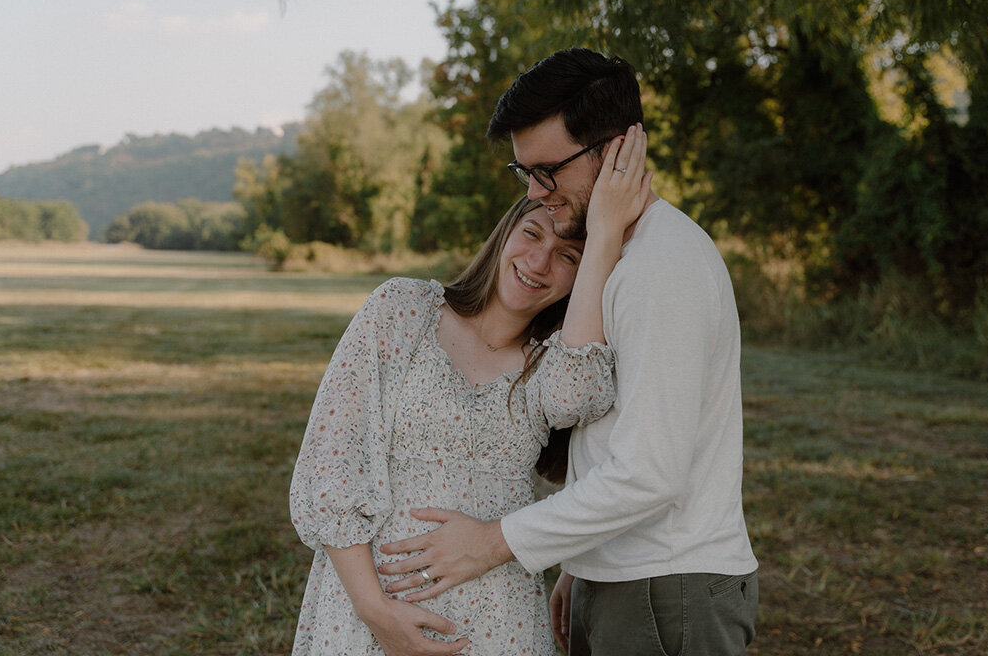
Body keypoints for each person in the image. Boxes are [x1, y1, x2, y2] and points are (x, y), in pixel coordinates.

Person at [379, 48, 760, 656]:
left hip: (665, 589)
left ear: (614, 152)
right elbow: (608, 429)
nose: (535, 191)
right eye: (525, 172)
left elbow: (648, 472)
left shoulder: (661, 267)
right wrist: (580, 565)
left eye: (548, 170)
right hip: (624, 578)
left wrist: (492, 542)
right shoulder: (615, 257)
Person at [288, 125, 653, 656]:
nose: (539, 262)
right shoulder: (403, 310)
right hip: (371, 611)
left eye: (567, 257)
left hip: (498, 623)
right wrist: (375, 612)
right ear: (505, 234)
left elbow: (579, 395)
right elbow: (333, 463)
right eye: (532, 235)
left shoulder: (548, 369)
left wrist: (601, 236)